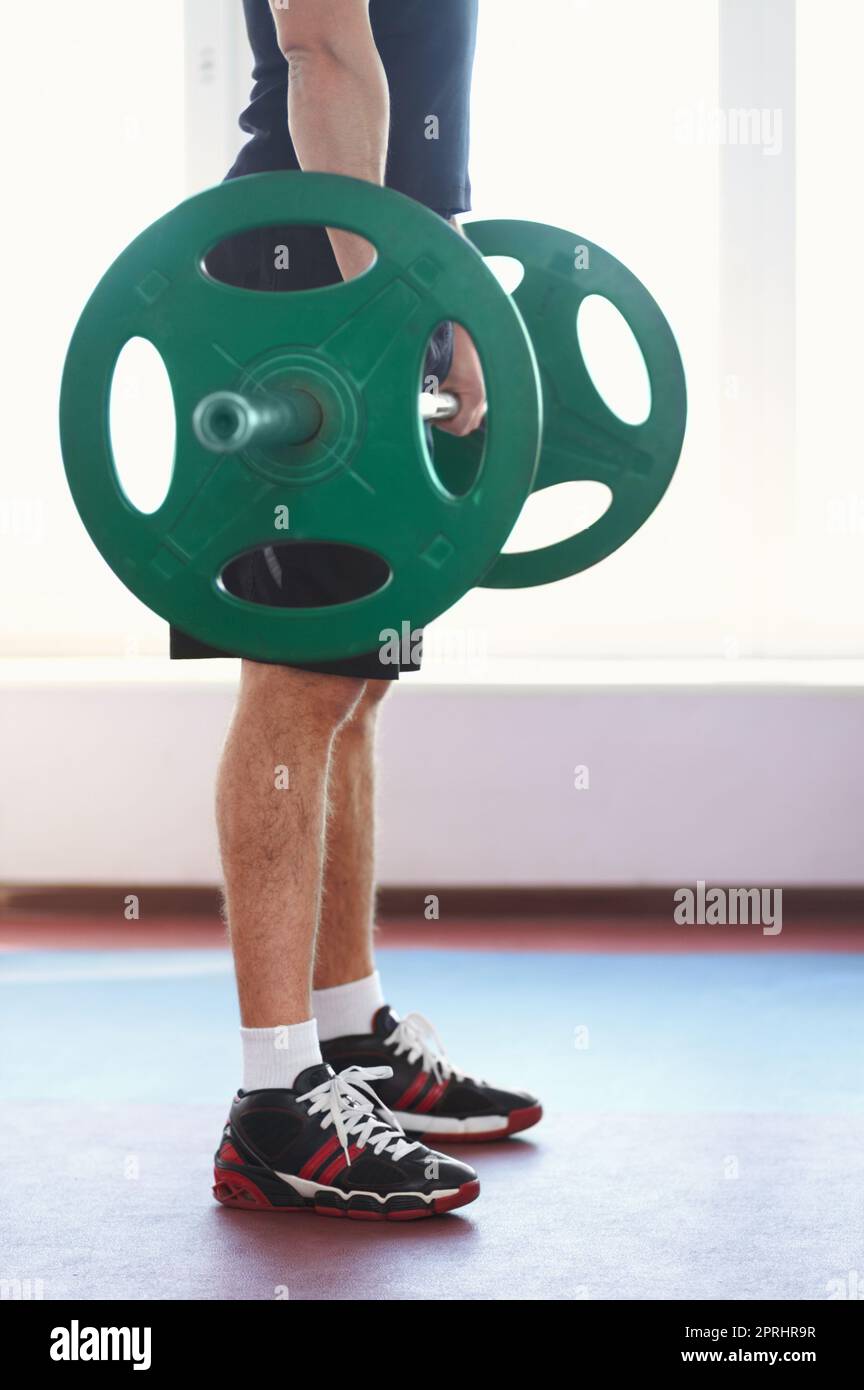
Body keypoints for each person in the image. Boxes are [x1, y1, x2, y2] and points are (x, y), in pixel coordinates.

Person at [174, 0, 541, 1219]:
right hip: (304, 273)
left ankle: (348, 1036)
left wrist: (435, 289)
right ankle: (277, 1101)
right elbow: (321, 46)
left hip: (363, 253)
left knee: (356, 671)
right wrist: (398, 302)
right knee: (297, 676)